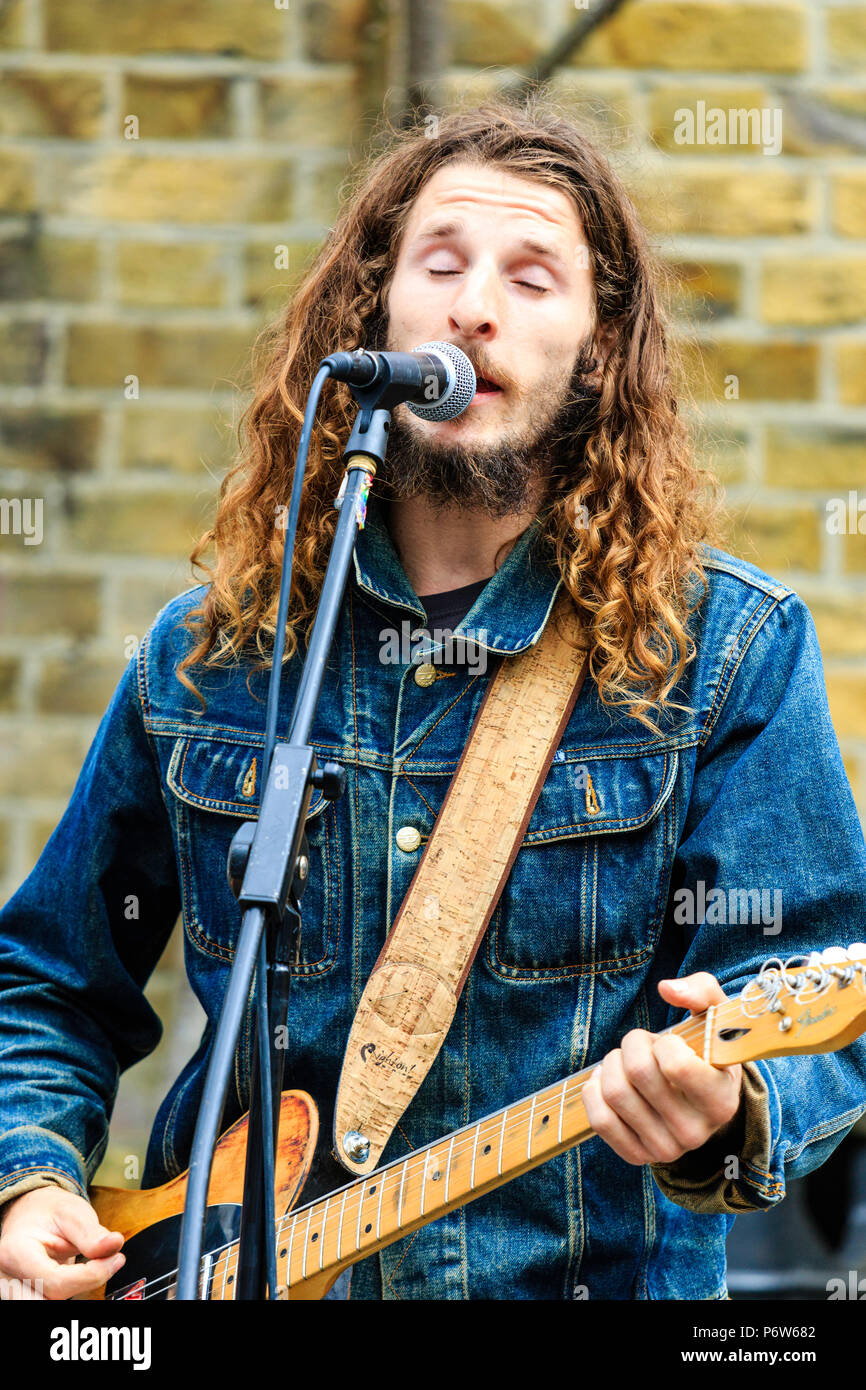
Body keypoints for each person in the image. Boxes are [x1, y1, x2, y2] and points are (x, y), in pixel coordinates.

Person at [1, 98, 865, 1302]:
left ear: (598, 346)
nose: (474, 306)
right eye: (441, 263)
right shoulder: (212, 651)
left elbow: (833, 988)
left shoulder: (716, 650)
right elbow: (46, 976)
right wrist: (32, 1178)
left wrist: (727, 1112)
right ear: (377, 311)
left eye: (530, 278)